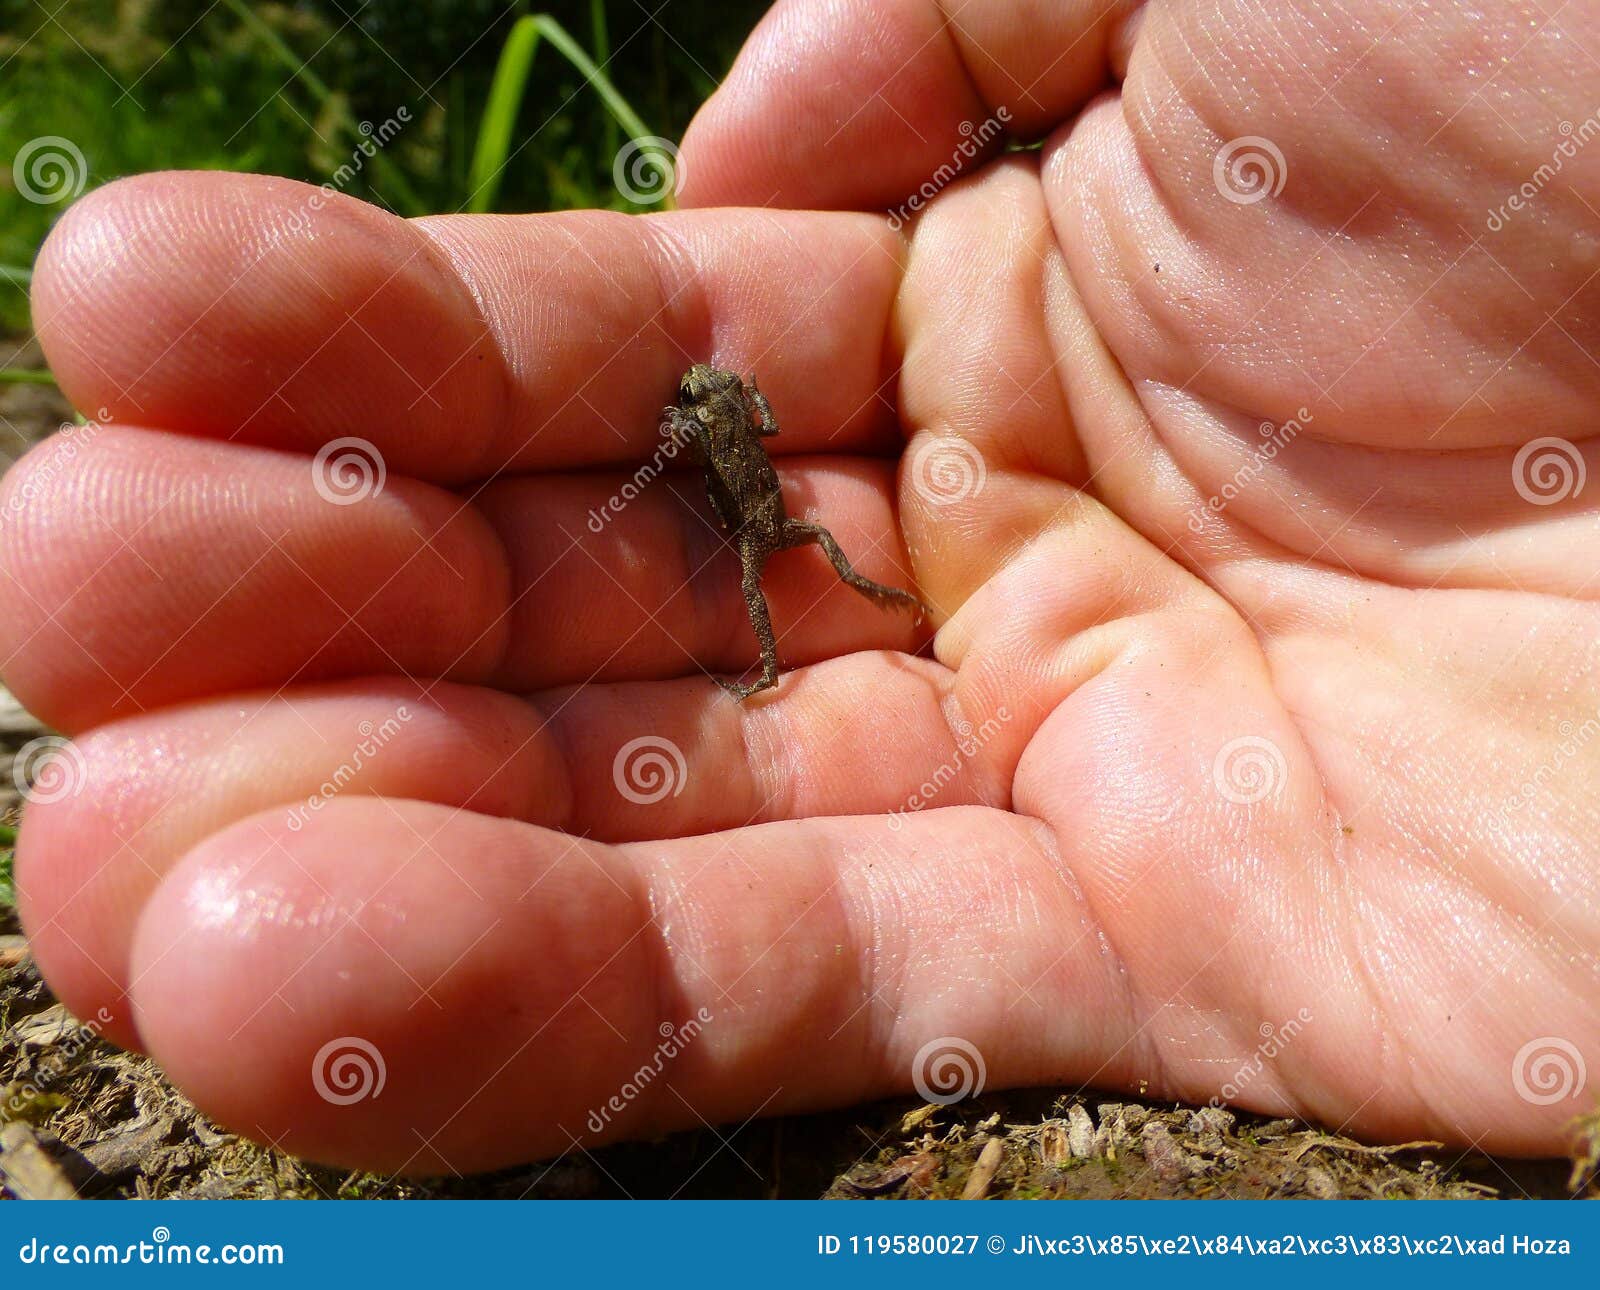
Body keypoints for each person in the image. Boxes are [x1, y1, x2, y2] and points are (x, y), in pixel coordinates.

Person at [3, 0, 1595, 1176]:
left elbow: (733, 438)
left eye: (708, 403)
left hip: (759, 526)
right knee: (776, 569)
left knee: (793, 570)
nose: (707, 406)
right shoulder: (700, 428)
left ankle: (823, 643)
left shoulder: (726, 426)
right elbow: (705, 436)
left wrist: (733, 468)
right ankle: (815, 641)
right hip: (731, 523)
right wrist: (697, 460)